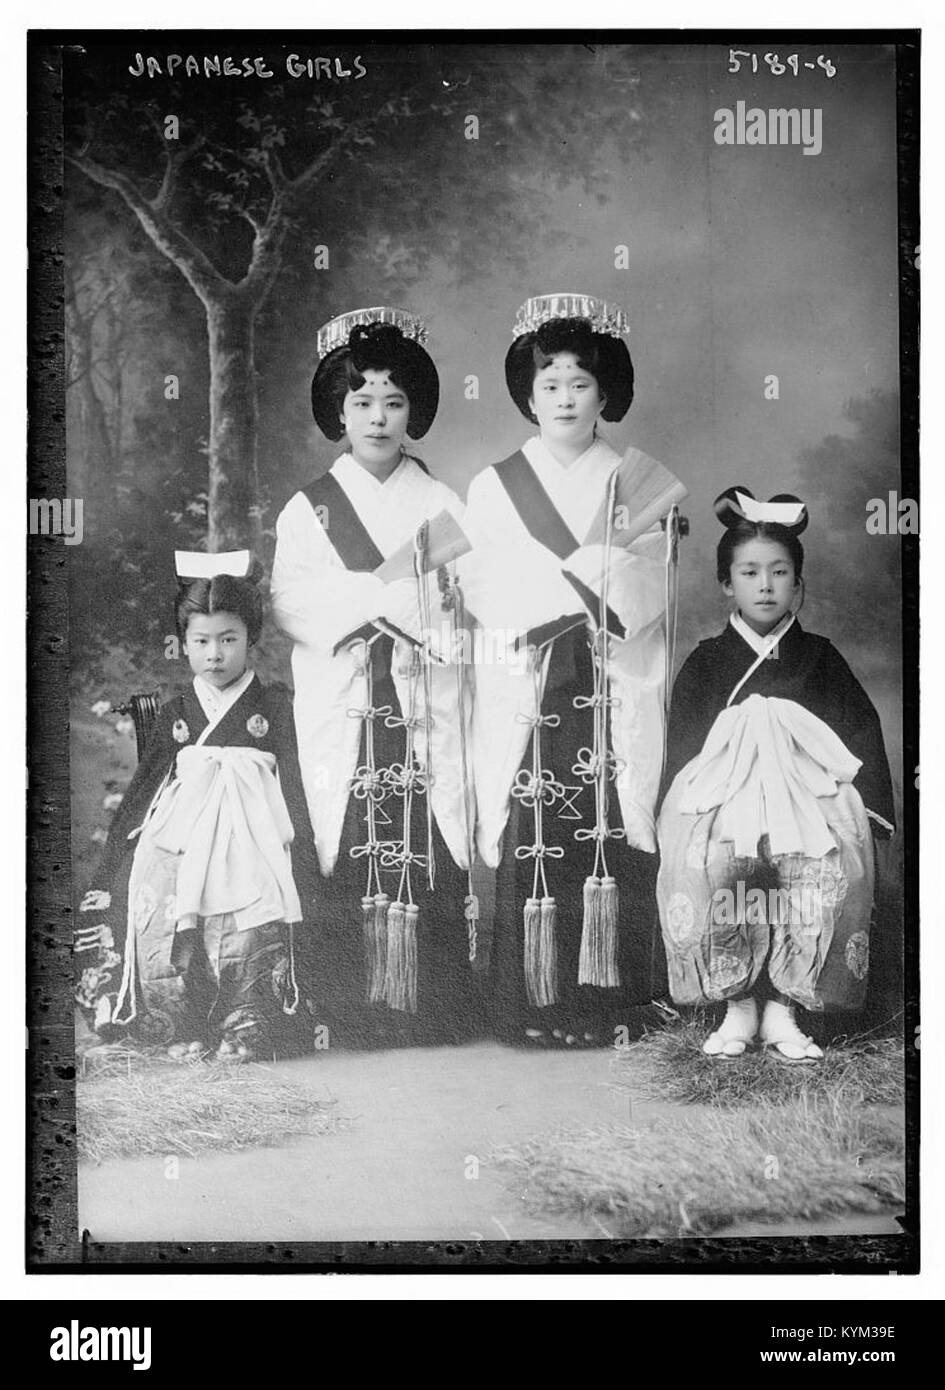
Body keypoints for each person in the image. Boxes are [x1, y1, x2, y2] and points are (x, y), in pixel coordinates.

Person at [462, 293, 674, 1047]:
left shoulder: (635, 478)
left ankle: (605, 1004)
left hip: (605, 672)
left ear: (604, 391)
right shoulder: (493, 487)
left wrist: (589, 584)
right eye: (548, 383)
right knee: (533, 828)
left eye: (578, 382)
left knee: (604, 823)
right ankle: (529, 1005)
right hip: (530, 674)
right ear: (526, 392)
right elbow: (479, 582)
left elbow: (651, 584)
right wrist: (562, 591)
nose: (563, 397)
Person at [270, 308, 481, 1048]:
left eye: (393, 401)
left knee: (427, 830)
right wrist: (388, 601)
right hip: (349, 694)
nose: (378, 417)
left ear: (412, 409)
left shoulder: (443, 504)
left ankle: (435, 1008)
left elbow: (465, 597)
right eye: (361, 401)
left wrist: (400, 610)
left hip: (417, 693)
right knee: (347, 834)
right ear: (338, 409)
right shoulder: (308, 508)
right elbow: (293, 598)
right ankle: (350, 1009)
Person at [656, 486, 895, 1062]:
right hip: (724, 799)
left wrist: (873, 811)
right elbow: (685, 752)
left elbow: (861, 735)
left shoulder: (821, 657)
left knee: (828, 869)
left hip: (810, 806)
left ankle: (788, 1011)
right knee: (709, 865)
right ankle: (737, 1007)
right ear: (726, 584)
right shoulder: (707, 662)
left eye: (779, 572)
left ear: (798, 584)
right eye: (749, 572)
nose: (764, 585)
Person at [75, 555, 318, 1061]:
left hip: (254, 829)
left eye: (228, 639)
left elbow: (295, 785)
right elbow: (147, 789)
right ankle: (177, 1021)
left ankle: (246, 1023)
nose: (214, 655)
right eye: (201, 641)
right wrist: (117, 862)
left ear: (251, 639)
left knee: (256, 893)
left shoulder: (273, 706)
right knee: (152, 886)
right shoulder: (179, 712)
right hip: (183, 828)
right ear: (184, 643)